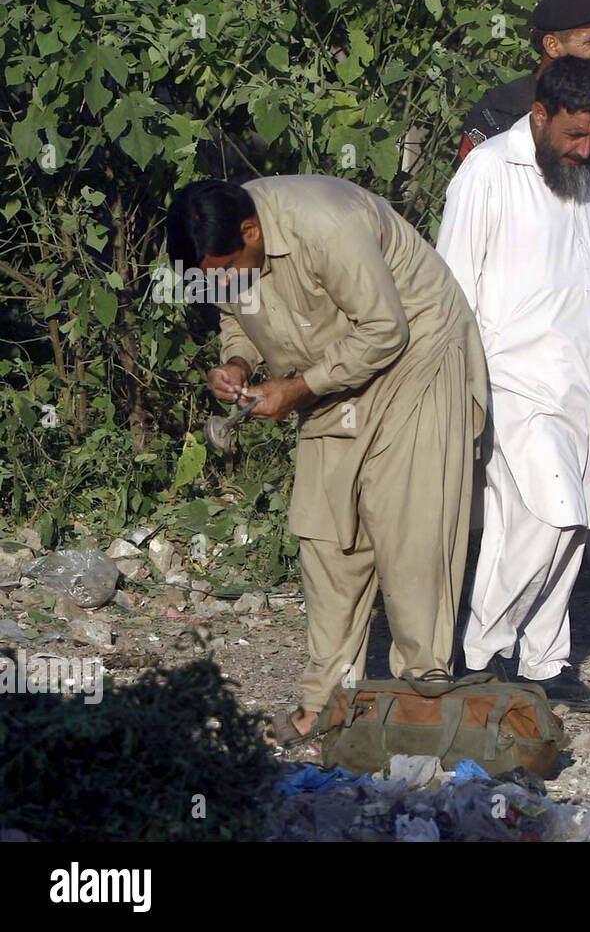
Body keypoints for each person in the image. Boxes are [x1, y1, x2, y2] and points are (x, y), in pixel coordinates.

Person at [167, 176, 488, 742]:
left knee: (407, 520)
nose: (216, 282)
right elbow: (238, 319)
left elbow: (387, 329)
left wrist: (298, 387)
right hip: (332, 374)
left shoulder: (326, 223)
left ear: (252, 231)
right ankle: (327, 701)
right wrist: (237, 361)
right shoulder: (218, 246)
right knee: (324, 529)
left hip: (417, 353)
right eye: (206, 276)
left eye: (222, 269)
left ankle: (421, 689)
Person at [437, 56, 590, 710]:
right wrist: (459, 383)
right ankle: (481, 652)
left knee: (565, 526)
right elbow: (450, 284)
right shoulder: (484, 174)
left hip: (582, 382)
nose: (585, 150)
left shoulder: (579, 181)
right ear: (540, 116)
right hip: (510, 381)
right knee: (555, 518)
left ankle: (543, 665)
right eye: (574, 135)